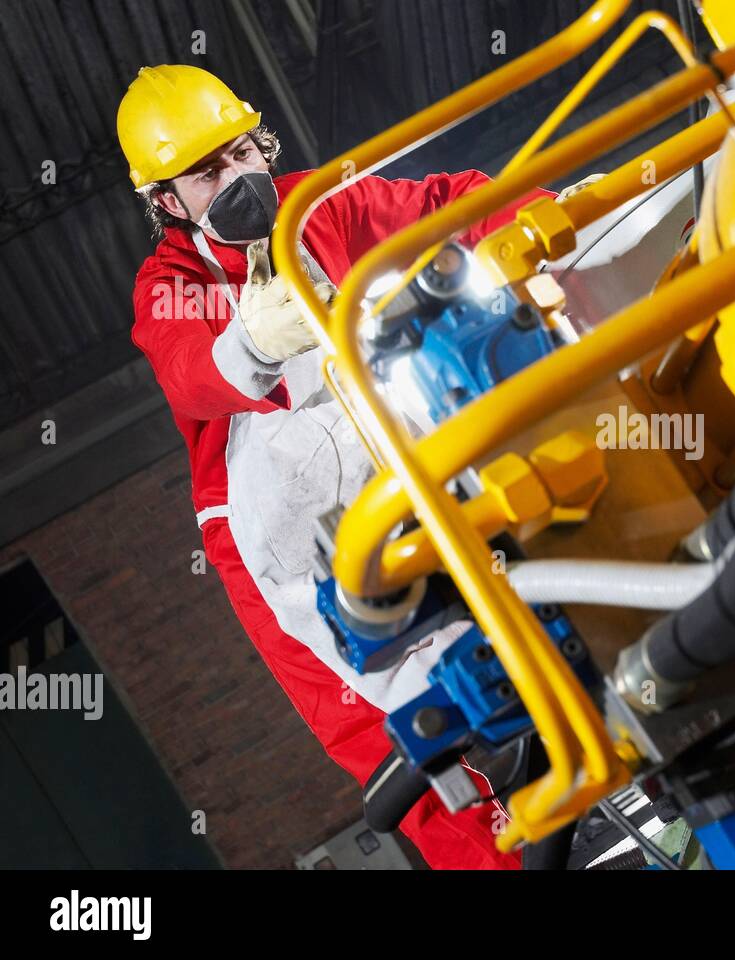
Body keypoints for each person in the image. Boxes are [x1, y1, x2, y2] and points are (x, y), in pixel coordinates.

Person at [119, 64, 558, 869]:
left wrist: (547, 220)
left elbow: (447, 203)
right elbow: (183, 369)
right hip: (268, 536)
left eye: (242, 151)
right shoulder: (168, 283)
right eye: (207, 171)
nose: (238, 177)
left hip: (394, 440)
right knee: (386, 723)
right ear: (167, 202)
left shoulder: (322, 203)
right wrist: (249, 342)